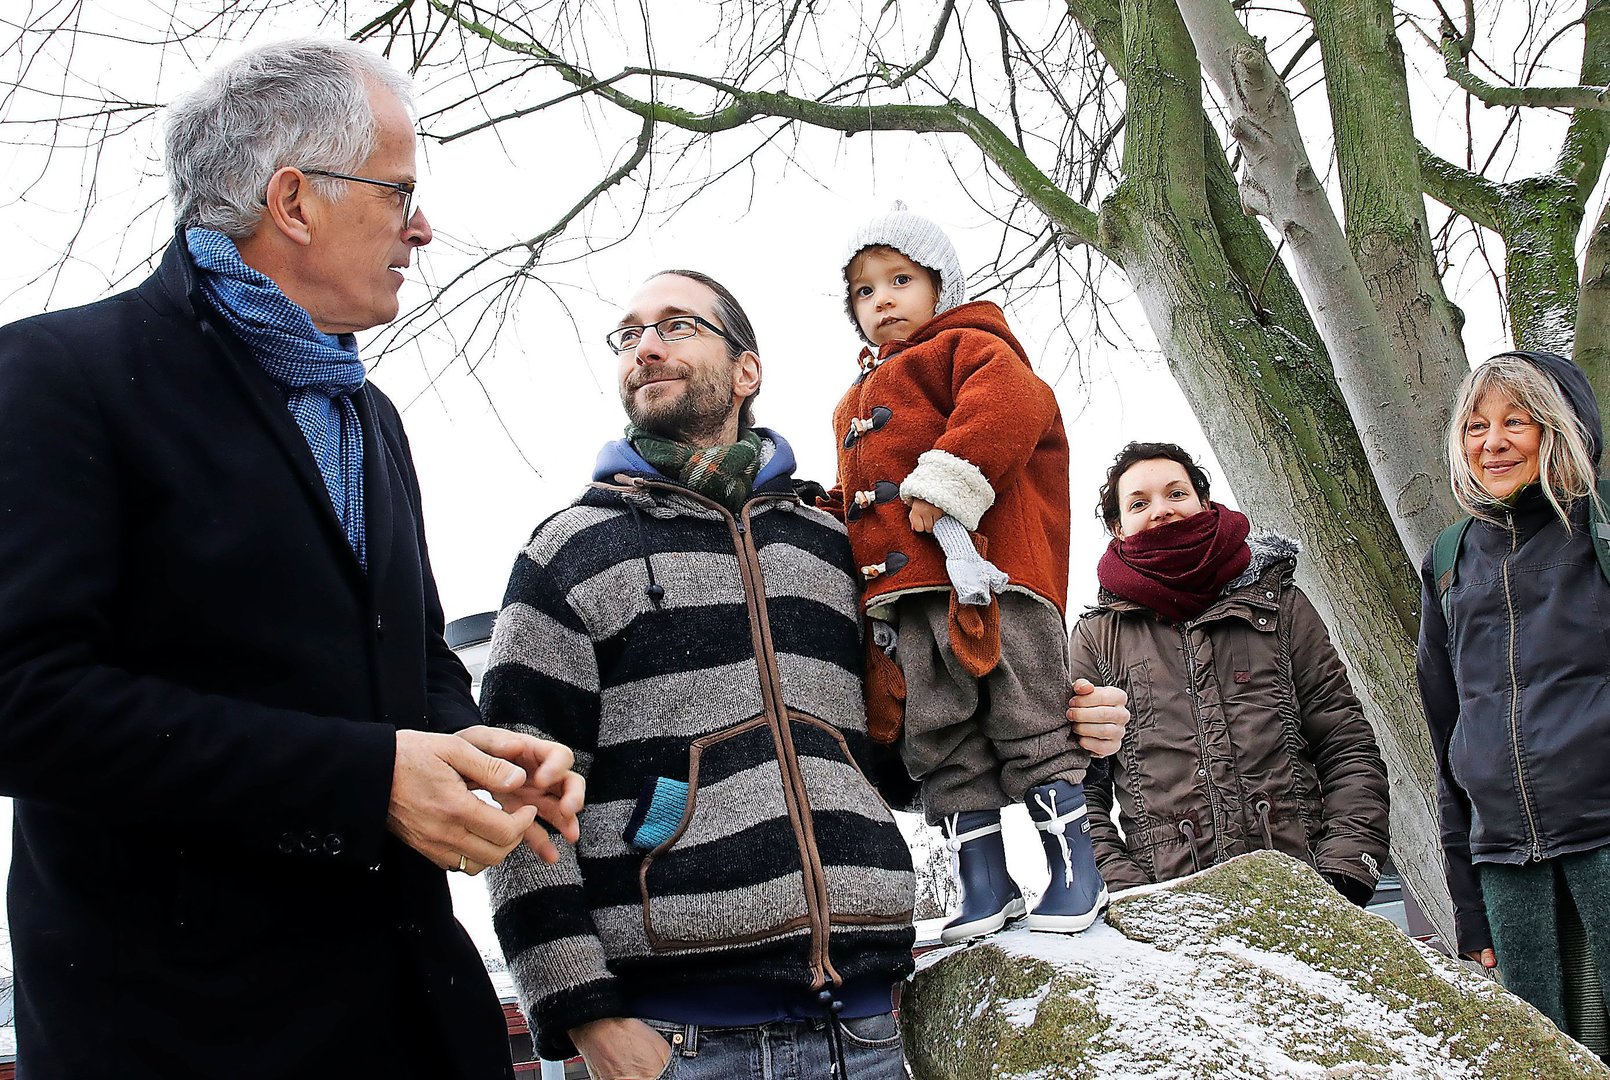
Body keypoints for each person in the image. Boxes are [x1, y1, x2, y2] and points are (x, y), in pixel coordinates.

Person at [0, 39, 582, 1079]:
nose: (423, 226)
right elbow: (22, 702)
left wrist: (476, 748)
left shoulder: (371, 415)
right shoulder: (53, 376)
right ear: (294, 200)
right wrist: (365, 779)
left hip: (413, 1021)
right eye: (399, 191)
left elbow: (407, 662)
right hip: (184, 1038)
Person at [481, 268, 1130, 1080]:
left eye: (677, 325)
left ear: (747, 371)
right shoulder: (569, 552)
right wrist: (583, 1014)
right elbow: (515, 795)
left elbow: (909, 750)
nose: (645, 346)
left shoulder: (836, 545)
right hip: (675, 1040)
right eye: (629, 334)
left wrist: (1061, 719)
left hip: (871, 1030)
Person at [827, 203, 1105, 946]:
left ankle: (1074, 867)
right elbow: (859, 495)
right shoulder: (850, 403)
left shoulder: (976, 348)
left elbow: (1010, 410)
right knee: (938, 736)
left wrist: (947, 481)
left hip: (992, 579)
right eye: (863, 291)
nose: (881, 300)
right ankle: (984, 881)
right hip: (909, 601)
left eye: (900, 279)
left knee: (1027, 714)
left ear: (941, 285)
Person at [1070, 441, 1389, 904]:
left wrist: (1340, 871)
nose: (1161, 510)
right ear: (1118, 528)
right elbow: (1078, 786)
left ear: (1203, 501)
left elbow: (1346, 745)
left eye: (1176, 493)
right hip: (1170, 914)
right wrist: (1128, 894)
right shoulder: (1097, 638)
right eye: (1140, 502)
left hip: (1304, 896)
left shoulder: (1280, 606)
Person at [1418, 351, 1610, 1062]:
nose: (1490, 441)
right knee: (1551, 1059)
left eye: (1514, 422)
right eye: (1474, 425)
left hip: (1605, 838)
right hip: (1507, 868)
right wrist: (1468, 906)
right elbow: (1446, 743)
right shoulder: (1449, 559)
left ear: (1559, 429)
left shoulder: (1602, 529)